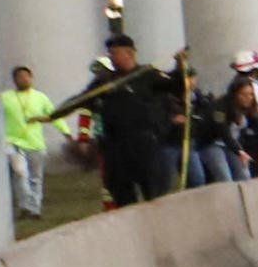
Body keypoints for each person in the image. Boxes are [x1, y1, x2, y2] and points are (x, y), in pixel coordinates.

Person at [74, 36, 182, 207]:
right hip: (115, 146)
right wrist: (54, 115)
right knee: (121, 193)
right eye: (109, 53)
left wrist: (180, 66)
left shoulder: (148, 75)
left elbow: (177, 87)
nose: (110, 57)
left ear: (129, 53)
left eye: (114, 53)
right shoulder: (104, 81)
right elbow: (83, 99)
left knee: (154, 194)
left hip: (144, 143)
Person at [0, 65, 59, 221]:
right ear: (14, 80)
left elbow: (53, 115)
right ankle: (25, 205)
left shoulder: (40, 97)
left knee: (36, 178)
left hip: (35, 143)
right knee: (19, 173)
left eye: (26, 76)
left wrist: (66, 132)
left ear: (31, 78)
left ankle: (34, 209)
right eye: (19, 77)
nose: (23, 79)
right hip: (13, 141)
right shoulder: (5, 97)